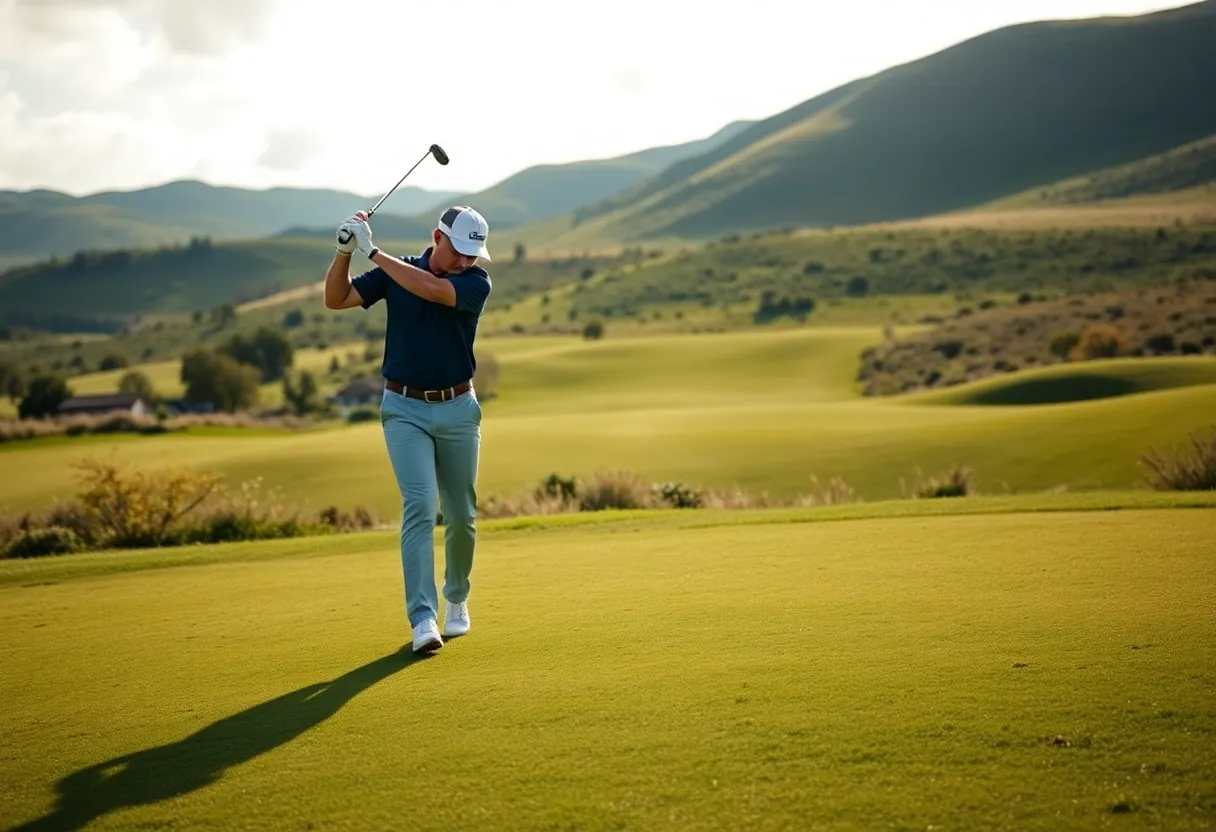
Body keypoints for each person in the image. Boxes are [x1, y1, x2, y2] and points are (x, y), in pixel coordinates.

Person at [323, 205, 493, 654]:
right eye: (458, 251)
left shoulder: (474, 282)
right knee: (420, 504)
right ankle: (423, 619)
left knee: (461, 513)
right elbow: (336, 299)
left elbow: (434, 291)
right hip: (403, 408)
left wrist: (372, 251)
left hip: (458, 408)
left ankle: (456, 598)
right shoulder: (395, 271)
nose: (465, 261)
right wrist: (344, 253)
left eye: (472, 255)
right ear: (437, 237)